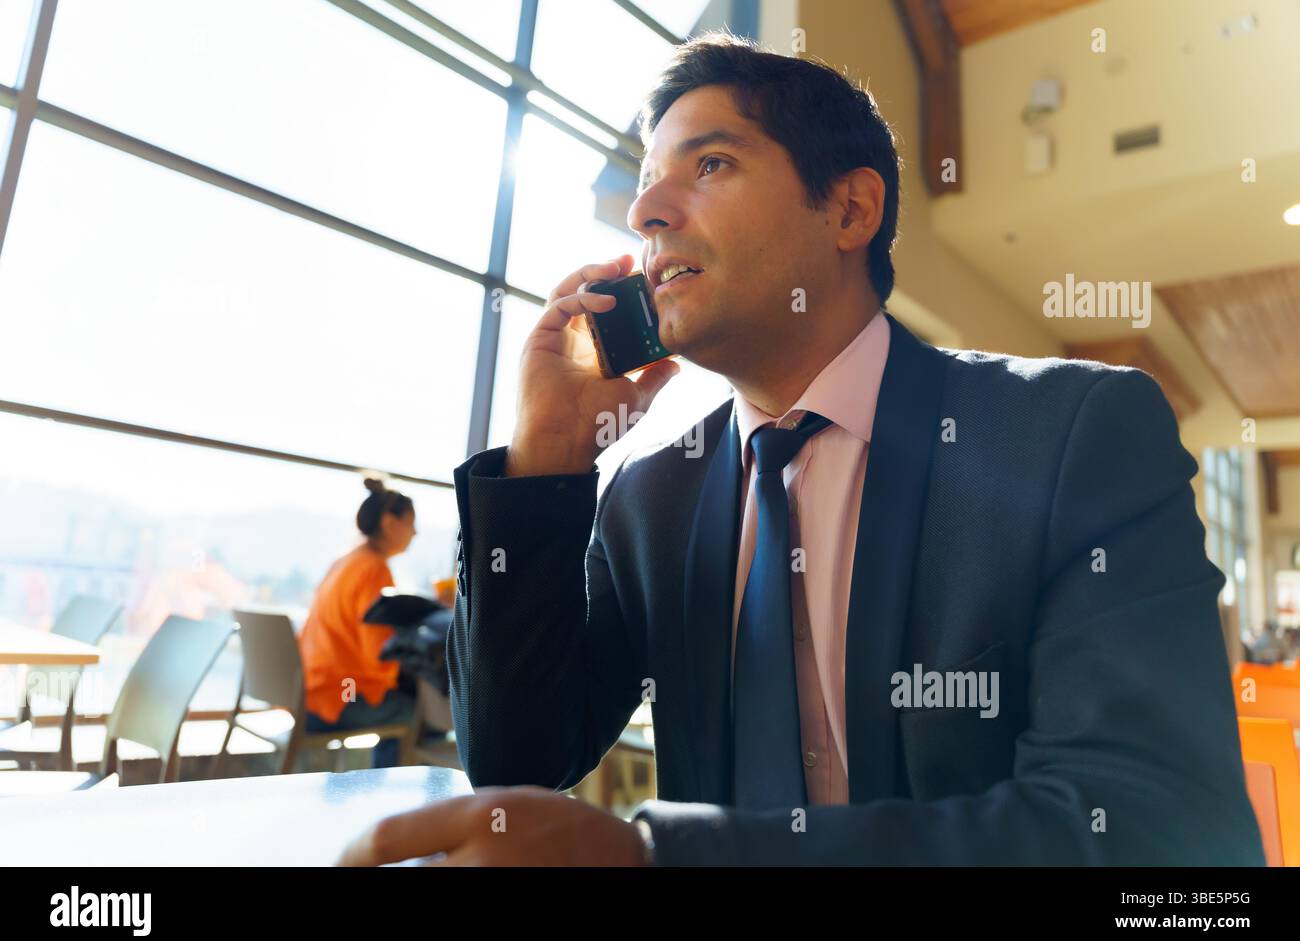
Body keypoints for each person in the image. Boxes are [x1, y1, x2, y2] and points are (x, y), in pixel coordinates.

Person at [338, 33, 1263, 865]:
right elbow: (517, 763)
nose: (647, 211)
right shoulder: (648, 500)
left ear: (852, 209)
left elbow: (1159, 827)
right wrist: (545, 455)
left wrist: (666, 861)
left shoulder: (1073, 435)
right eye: (649, 180)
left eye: (708, 164)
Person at [299, 478, 418, 768]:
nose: (415, 532)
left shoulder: (345, 561)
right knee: (417, 710)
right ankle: (391, 801)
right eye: (411, 523)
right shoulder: (375, 570)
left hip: (307, 692)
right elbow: (378, 656)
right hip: (335, 701)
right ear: (391, 523)